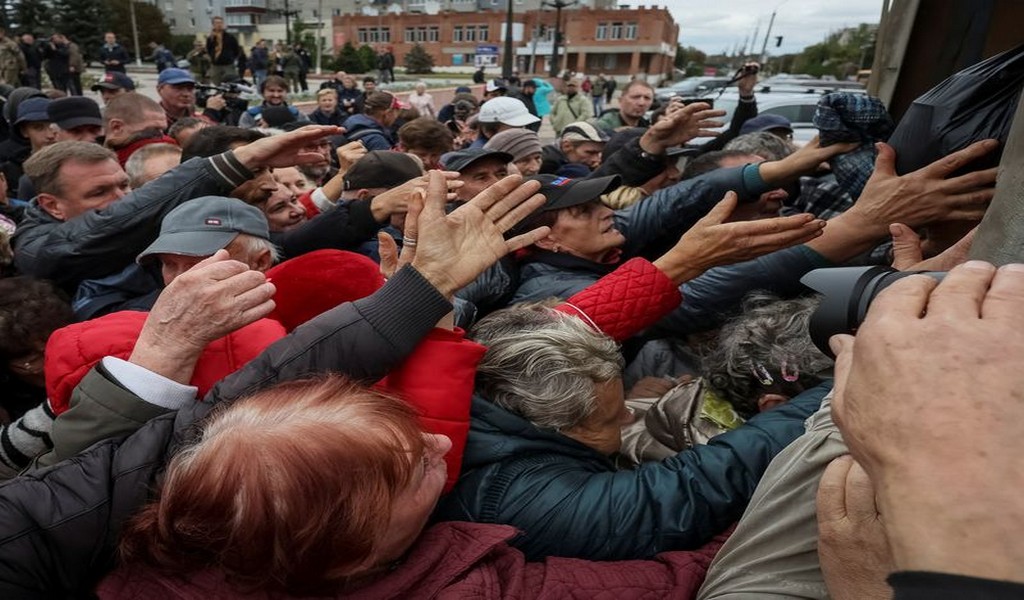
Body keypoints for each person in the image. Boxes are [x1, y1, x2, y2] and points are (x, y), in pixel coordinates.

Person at [0, 171, 550, 598]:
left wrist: (422, 297)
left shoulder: (319, 299)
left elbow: (122, 468)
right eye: (169, 265)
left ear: (262, 256)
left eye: (206, 259)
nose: (186, 281)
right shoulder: (108, 341)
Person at [11, 125, 345, 292]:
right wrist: (234, 163)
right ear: (51, 205)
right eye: (99, 192)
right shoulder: (36, 248)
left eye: (124, 185)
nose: (123, 199)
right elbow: (102, 230)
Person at [239, 75, 310, 129]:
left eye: (280, 91)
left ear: (286, 92)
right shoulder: (250, 115)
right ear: (262, 93)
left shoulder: (297, 114)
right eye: (271, 91)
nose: (276, 95)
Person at [539, 121, 609, 175]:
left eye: (599, 153)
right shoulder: (546, 164)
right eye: (590, 153)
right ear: (567, 146)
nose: (597, 159)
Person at [472, 96, 540, 148]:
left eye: (522, 127)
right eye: (515, 129)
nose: (522, 132)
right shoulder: (482, 159)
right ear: (489, 131)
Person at [206, 16, 240, 84]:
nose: (219, 25)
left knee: (231, 83)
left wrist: (231, 58)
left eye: (221, 23)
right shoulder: (210, 38)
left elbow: (236, 49)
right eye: (217, 23)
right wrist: (213, 57)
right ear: (213, 25)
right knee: (217, 84)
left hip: (228, 65)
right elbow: (209, 50)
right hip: (216, 66)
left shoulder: (230, 37)